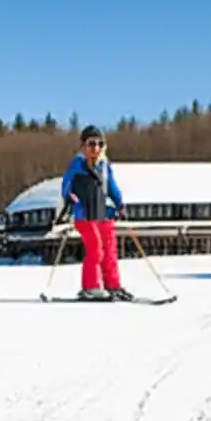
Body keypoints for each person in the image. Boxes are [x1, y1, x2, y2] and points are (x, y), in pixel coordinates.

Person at [60, 125, 133, 301]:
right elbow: (66, 186)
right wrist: (69, 197)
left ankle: (113, 285)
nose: (96, 148)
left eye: (100, 144)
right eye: (91, 143)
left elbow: (112, 188)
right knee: (95, 250)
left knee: (109, 252)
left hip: (104, 214)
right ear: (83, 146)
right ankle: (90, 286)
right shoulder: (77, 166)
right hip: (84, 215)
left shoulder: (105, 166)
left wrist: (119, 203)